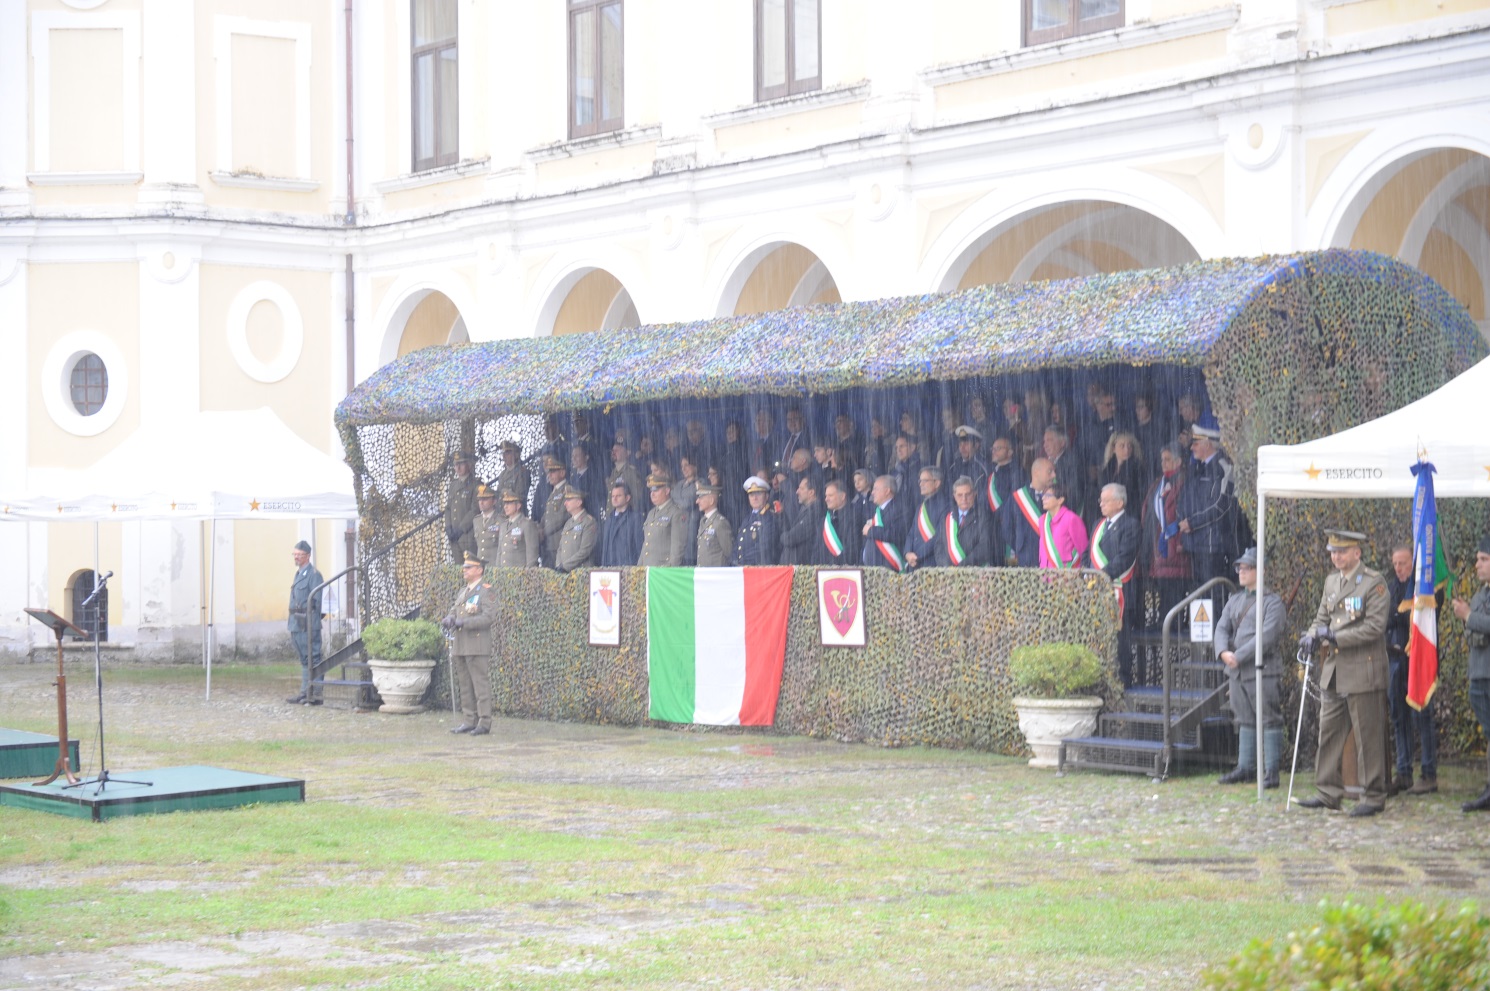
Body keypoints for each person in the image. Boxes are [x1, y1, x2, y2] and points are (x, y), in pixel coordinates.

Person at [1296, 529, 1391, 817]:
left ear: (1357, 553)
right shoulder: (1331, 582)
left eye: (1342, 551)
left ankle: (1373, 796)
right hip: (1334, 672)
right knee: (1329, 732)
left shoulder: (1374, 584)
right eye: (1333, 551)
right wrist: (1312, 635)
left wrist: (1334, 636)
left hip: (1363, 670)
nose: (1336, 556)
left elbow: (1375, 627)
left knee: (1367, 737)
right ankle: (1328, 792)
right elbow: (1321, 619)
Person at [1213, 547, 1286, 788]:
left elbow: (1267, 636)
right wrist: (1223, 652)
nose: (1241, 572)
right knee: (1243, 718)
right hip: (1236, 670)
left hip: (1261, 668)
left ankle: (1271, 771)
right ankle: (1245, 767)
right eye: (1240, 568)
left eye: (1247, 567)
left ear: (1260, 571)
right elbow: (1222, 627)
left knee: (1268, 718)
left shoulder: (1272, 602)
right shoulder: (1235, 600)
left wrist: (1239, 656)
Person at [1386, 542, 1439, 796]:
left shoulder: (1423, 588)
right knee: (1399, 718)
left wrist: (1397, 616)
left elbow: (1416, 618)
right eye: (1395, 563)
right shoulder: (1390, 586)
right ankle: (1403, 772)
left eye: (1403, 563)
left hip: (1418, 660)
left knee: (1422, 717)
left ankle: (1429, 774)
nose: (1398, 568)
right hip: (1395, 660)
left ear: (1413, 563)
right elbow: (1386, 618)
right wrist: (1397, 616)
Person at [1450, 537, 1490, 812]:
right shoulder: (1480, 595)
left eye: (1484, 559)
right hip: (1479, 673)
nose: (1477, 564)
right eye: (1478, 559)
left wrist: (1468, 616)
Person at [1177, 417, 1238, 594]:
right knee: (1198, 595)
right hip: (1194, 543)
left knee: (1213, 594)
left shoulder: (1224, 467)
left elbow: (1221, 505)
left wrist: (1192, 523)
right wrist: (1183, 521)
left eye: (1196, 443)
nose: (1191, 447)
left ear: (1208, 444)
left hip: (1213, 545)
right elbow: (1183, 499)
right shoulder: (1196, 468)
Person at [1090, 483, 1142, 685]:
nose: (1101, 504)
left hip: (1122, 590)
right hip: (1100, 590)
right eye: (1100, 500)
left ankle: (1123, 680)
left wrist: (1102, 575)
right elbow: (1088, 554)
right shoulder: (1098, 524)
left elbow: (1125, 557)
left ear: (1120, 503)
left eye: (1106, 500)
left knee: (1121, 640)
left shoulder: (1131, 524)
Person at [442, 551, 495, 735]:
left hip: (477, 645)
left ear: (479, 570)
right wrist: (450, 618)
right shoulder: (463, 591)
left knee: (480, 685)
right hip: (461, 644)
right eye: (464, 567)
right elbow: (454, 611)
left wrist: (464, 623)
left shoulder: (486, 590)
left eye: (468, 567)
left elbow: (488, 617)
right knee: (465, 685)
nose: (464, 570)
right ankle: (468, 720)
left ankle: (484, 722)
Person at [1141, 444, 1192, 628]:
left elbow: (1183, 513)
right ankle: (1165, 624)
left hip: (1175, 544)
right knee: (1163, 588)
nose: (1163, 463)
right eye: (1162, 459)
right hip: (1159, 545)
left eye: (1168, 459)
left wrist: (1179, 540)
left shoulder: (1184, 481)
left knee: (1174, 589)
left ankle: (1173, 626)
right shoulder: (1158, 482)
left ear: (1178, 461)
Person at [286, 539, 324, 705]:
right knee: (304, 659)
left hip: (308, 623)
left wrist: (311, 622)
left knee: (313, 658)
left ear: (308, 556)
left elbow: (317, 602)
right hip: (296, 622)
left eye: (299, 555)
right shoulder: (299, 573)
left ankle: (316, 694)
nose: (296, 558)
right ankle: (304, 691)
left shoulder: (314, 575)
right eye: (295, 554)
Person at [934, 476, 1001, 567]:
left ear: (975, 494)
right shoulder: (947, 518)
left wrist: (962, 566)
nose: (964, 499)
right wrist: (947, 566)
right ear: (954, 496)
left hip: (977, 572)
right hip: (950, 574)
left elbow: (985, 547)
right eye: (960, 495)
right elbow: (939, 547)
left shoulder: (984, 516)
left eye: (968, 494)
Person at [1008, 457, 1054, 567]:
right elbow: (1007, 528)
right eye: (1049, 471)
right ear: (1036, 472)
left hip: (1052, 557)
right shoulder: (1017, 498)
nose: (1054, 475)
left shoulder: (1057, 497)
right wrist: (1021, 546)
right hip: (1026, 559)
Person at [904, 467, 950, 570]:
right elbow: (911, 533)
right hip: (914, 563)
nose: (920, 484)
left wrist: (917, 555)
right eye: (920, 481)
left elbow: (940, 536)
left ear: (937, 483)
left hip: (931, 563)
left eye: (925, 481)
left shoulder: (946, 505)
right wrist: (907, 553)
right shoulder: (920, 506)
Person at [638, 471, 688, 567]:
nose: (652, 494)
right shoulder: (651, 513)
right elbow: (646, 545)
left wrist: (670, 569)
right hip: (648, 568)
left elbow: (678, 546)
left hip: (662, 569)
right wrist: (639, 567)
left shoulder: (676, 513)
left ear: (667, 491)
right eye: (651, 491)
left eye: (656, 490)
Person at [861, 474, 910, 571]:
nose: (872, 493)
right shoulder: (876, 510)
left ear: (887, 491)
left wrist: (871, 531)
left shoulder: (900, 508)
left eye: (876, 489)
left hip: (888, 567)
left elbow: (896, 534)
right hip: (873, 568)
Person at [1037, 482, 1087, 570]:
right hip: (1045, 573)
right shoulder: (1042, 520)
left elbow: (1083, 549)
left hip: (1066, 574)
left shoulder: (1071, 519)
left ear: (1060, 500)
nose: (1043, 498)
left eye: (1048, 495)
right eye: (1043, 495)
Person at [732, 475, 779, 566]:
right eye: (751, 495)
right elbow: (737, 544)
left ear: (766, 496)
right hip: (743, 568)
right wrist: (734, 561)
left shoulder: (770, 517)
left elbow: (765, 547)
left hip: (760, 568)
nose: (754, 498)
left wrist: (743, 562)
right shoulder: (747, 519)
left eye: (758, 494)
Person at [780, 474, 826, 566]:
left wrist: (783, 537)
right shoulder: (806, 509)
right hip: (795, 566)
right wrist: (782, 514)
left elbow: (791, 538)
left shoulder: (815, 512)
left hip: (802, 567)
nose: (797, 491)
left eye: (801, 488)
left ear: (811, 492)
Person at [1042, 425, 1085, 520]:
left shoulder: (1072, 461)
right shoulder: (1044, 463)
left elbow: (1075, 491)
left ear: (1062, 443)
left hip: (1065, 513)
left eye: (1049, 440)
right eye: (1044, 441)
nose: (1045, 445)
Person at [553, 484, 598, 572]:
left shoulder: (588, 522)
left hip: (580, 572)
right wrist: (559, 565)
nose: (565, 503)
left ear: (579, 502)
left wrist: (565, 566)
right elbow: (561, 548)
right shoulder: (568, 523)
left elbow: (585, 551)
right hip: (564, 572)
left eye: (569, 500)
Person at [599, 481, 644, 567]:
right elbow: (605, 549)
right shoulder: (609, 520)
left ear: (627, 498)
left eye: (618, 496)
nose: (614, 499)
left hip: (628, 569)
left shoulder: (635, 518)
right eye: (612, 496)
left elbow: (639, 546)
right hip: (609, 569)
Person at [534, 455, 568, 565]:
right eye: (549, 472)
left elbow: (562, 516)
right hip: (547, 544)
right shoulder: (553, 492)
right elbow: (546, 515)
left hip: (557, 543)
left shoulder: (567, 491)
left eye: (553, 471)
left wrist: (544, 531)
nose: (549, 475)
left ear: (562, 473)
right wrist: (539, 528)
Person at [444, 451, 479, 559]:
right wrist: (448, 527)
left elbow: (475, 510)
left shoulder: (475, 485)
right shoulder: (453, 485)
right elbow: (448, 508)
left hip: (467, 536)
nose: (458, 468)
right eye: (456, 465)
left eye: (461, 464)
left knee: (471, 568)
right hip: (454, 537)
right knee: (458, 572)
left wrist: (460, 529)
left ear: (469, 465)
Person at [494, 490, 541, 568]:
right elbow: (500, 551)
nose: (505, 506)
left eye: (509, 503)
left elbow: (532, 553)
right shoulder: (503, 525)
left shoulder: (527, 524)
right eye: (505, 503)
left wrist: (529, 573)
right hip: (503, 573)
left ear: (518, 505)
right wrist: (498, 570)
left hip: (519, 573)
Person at [821, 479, 863, 566]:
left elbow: (852, 548)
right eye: (826, 496)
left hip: (845, 570)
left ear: (843, 496)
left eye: (830, 495)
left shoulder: (854, 516)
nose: (826, 499)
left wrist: (835, 565)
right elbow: (818, 549)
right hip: (824, 572)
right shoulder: (825, 519)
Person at [694, 483, 733, 567]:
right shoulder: (703, 521)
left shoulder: (720, 523)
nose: (697, 501)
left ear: (711, 500)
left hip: (716, 575)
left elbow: (729, 552)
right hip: (704, 573)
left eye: (700, 497)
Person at [470, 484, 504, 566]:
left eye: (485, 499)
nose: (481, 502)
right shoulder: (476, 520)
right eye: (479, 499)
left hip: (495, 566)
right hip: (480, 566)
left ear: (494, 501)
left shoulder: (501, 520)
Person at [494, 441, 531, 512]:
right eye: (503, 453)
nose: (504, 456)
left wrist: (505, 492)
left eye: (508, 452)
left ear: (516, 455)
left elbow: (520, 497)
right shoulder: (502, 474)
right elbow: (498, 496)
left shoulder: (522, 473)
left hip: (516, 513)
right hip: (501, 514)